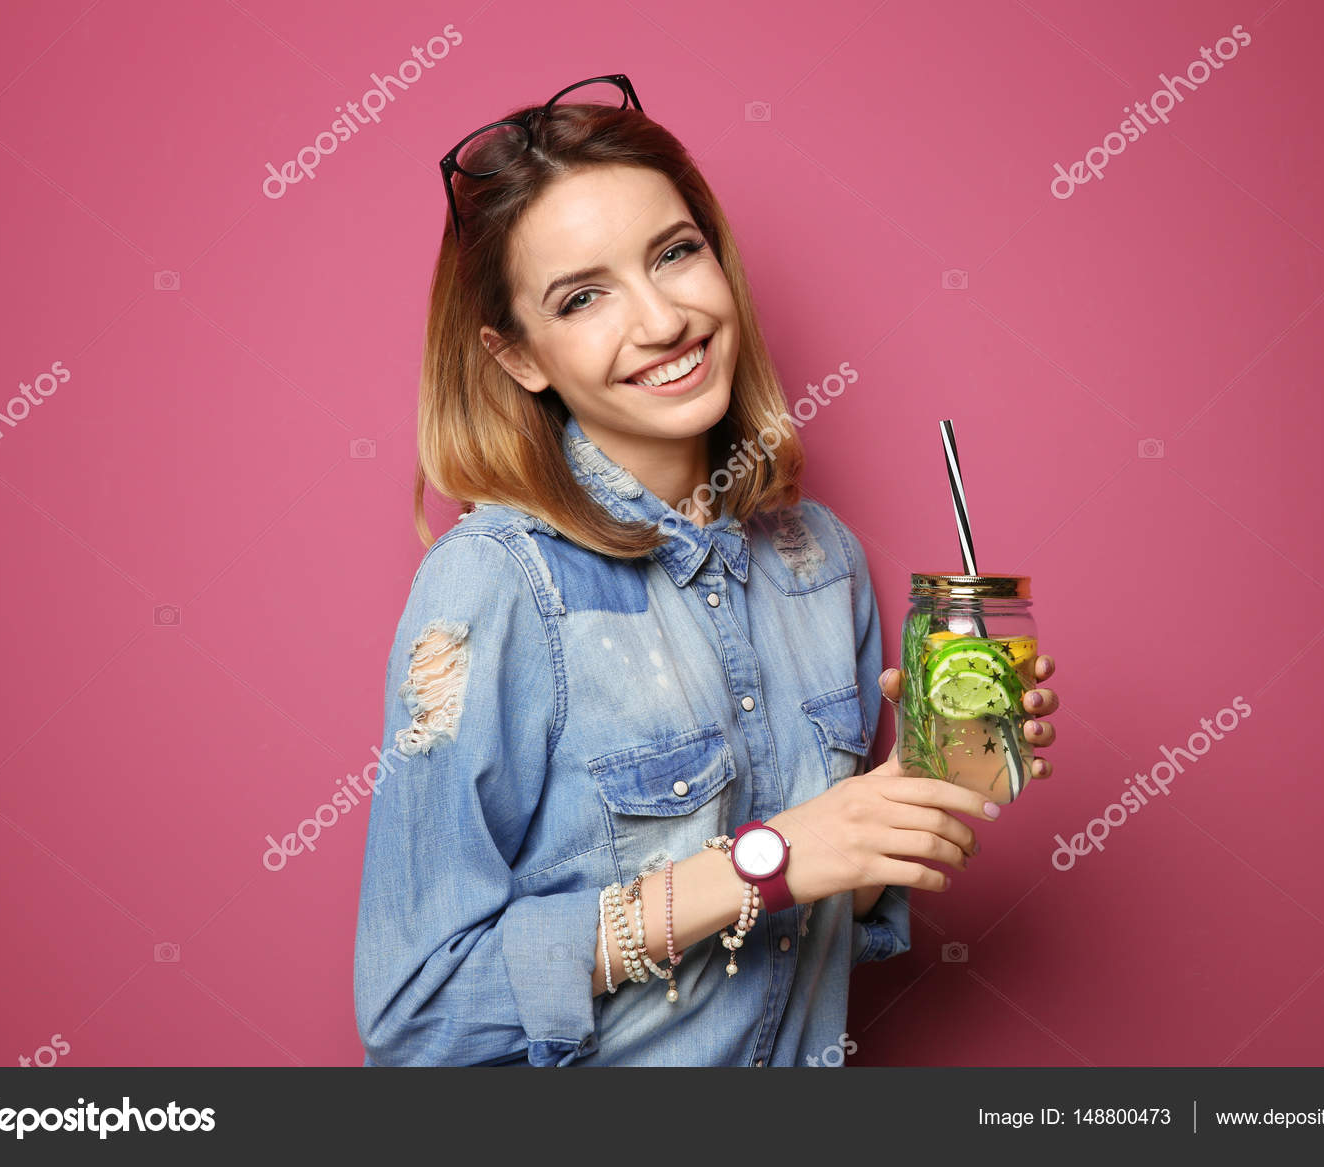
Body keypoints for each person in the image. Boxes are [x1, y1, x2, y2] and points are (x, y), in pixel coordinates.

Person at [353, 75, 1059, 1066]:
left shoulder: (823, 564)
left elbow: (818, 912)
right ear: (518, 357)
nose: (660, 319)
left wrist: (901, 799)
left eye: (674, 254)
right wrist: (767, 861)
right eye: (584, 297)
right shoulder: (497, 585)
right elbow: (418, 1012)